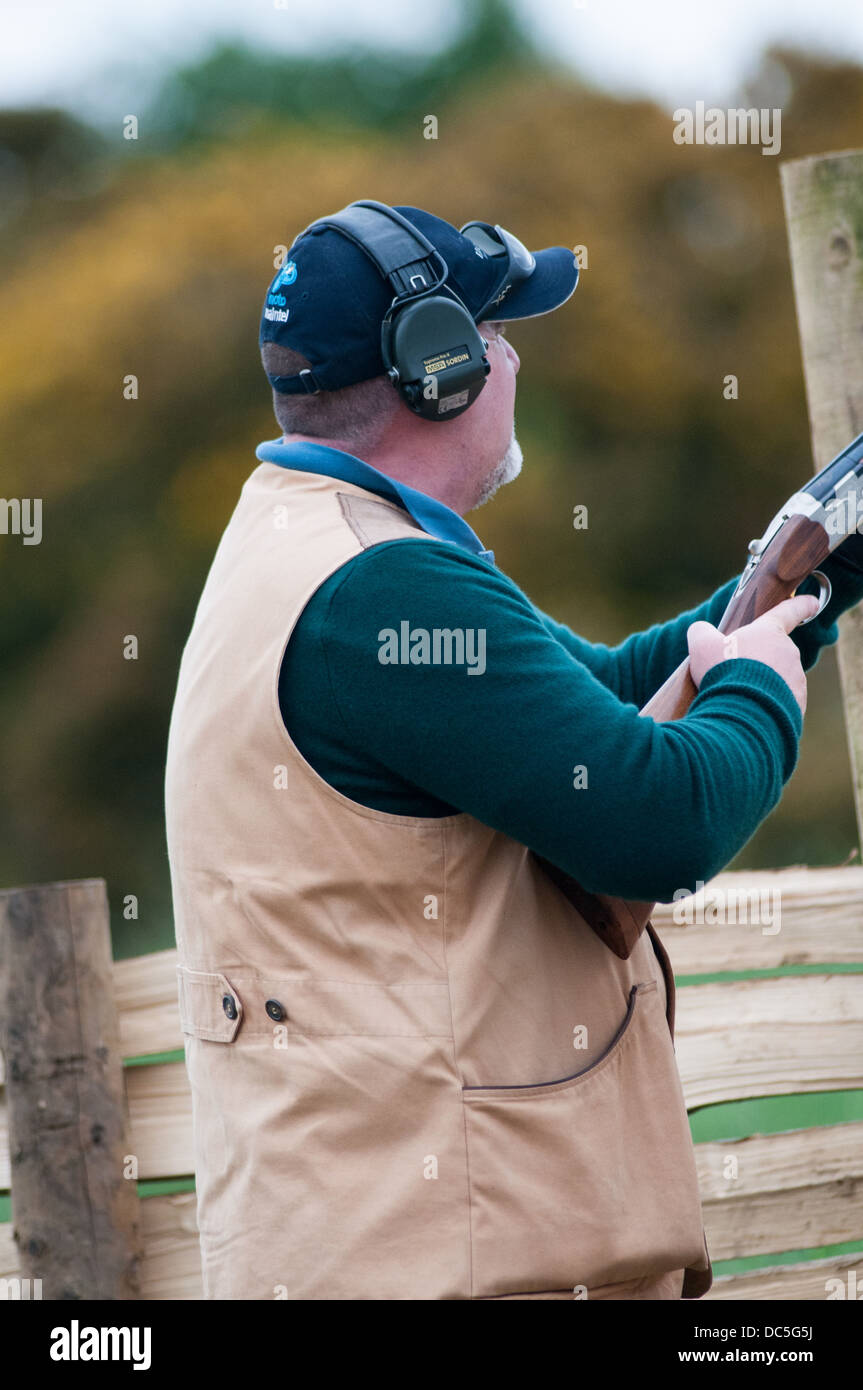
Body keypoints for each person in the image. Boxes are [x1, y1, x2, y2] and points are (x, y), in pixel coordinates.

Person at [165, 200, 863, 1301]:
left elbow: (588, 699)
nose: (513, 356)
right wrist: (759, 694)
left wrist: (806, 586)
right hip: (446, 1263)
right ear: (433, 368)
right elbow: (657, 816)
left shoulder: (318, 543)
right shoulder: (382, 587)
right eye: (494, 334)